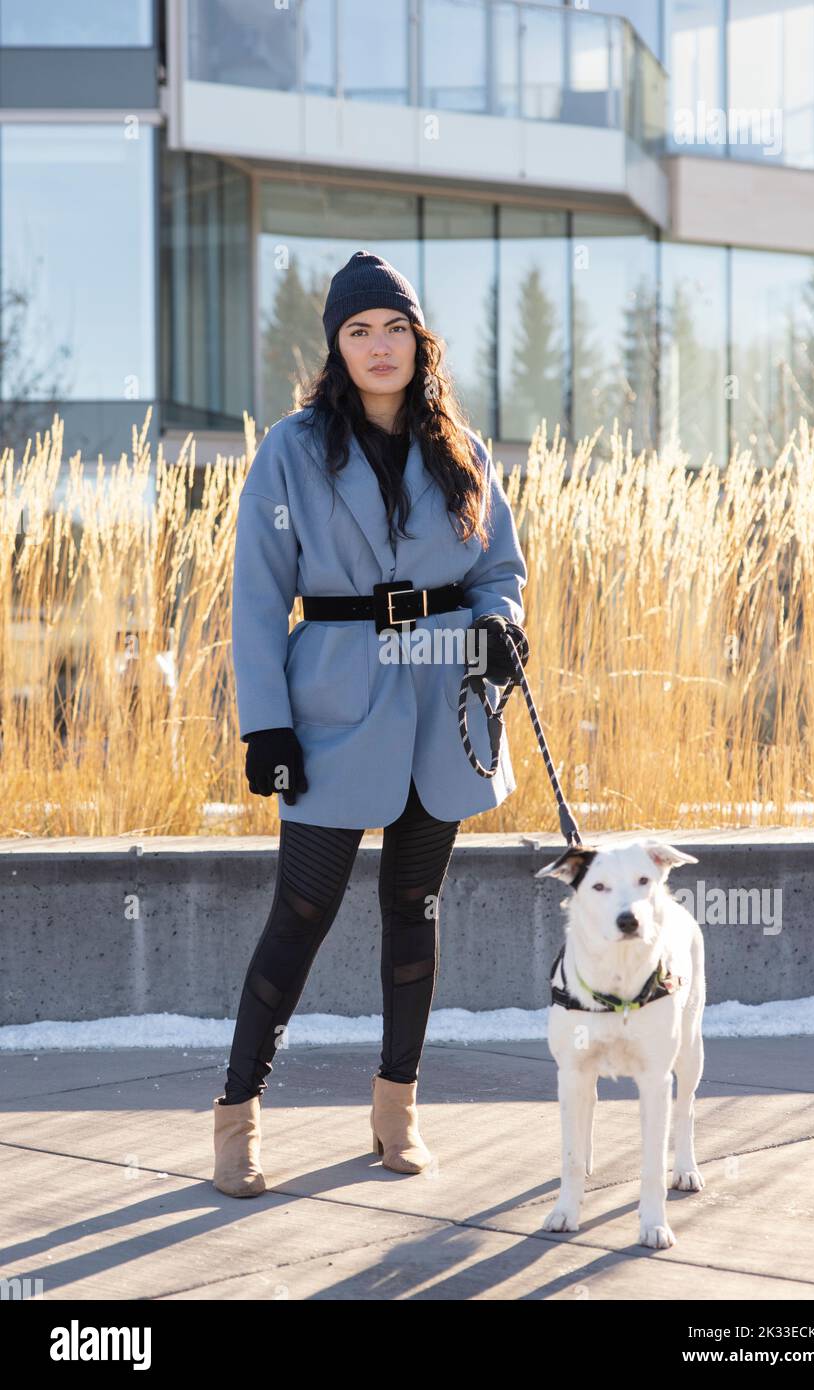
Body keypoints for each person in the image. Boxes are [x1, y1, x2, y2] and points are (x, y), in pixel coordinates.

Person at [212, 250, 529, 1197]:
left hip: (442, 701)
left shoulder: (460, 451)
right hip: (331, 705)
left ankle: (396, 1113)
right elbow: (258, 601)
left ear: (418, 341)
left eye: (393, 328)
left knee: (413, 908)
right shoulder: (291, 450)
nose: (378, 346)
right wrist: (263, 726)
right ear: (336, 348)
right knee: (300, 912)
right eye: (358, 331)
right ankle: (236, 1121)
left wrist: (499, 627)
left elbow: (497, 572)